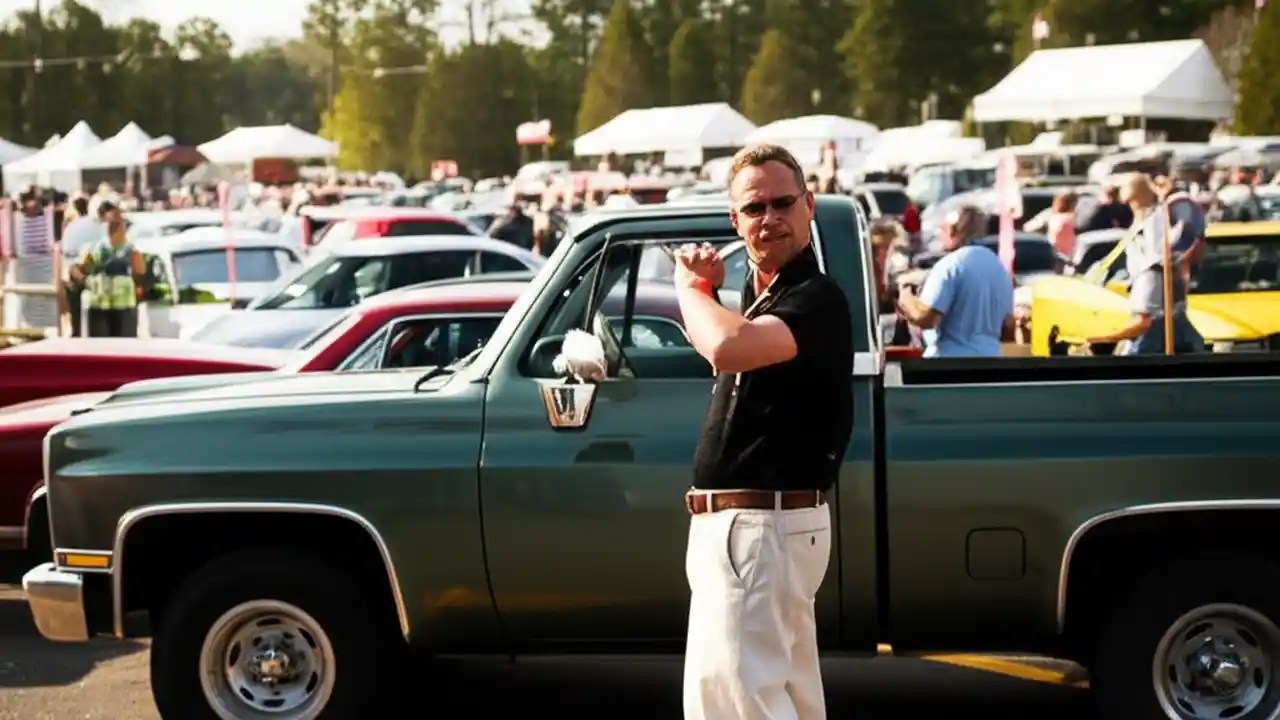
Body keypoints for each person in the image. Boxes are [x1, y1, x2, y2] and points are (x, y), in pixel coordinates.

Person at [672, 143, 853, 720]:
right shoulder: (769, 294)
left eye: (783, 203)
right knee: (781, 698)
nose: (770, 218)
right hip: (761, 530)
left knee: (734, 700)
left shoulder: (815, 298)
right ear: (735, 220)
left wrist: (689, 290)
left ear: (809, 206)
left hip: (760, 529)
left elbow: (727, 347)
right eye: (754, 209)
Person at [1086, 173, 1203, 355]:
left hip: (1149, 354)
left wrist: (1103, 338)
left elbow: (1143, 320)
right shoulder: (1152, 225)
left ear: (1132, 199)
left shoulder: (1152, 265)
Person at [896, 206, 1015, 357]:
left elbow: (925, 318)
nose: (940, 230)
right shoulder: (1000, 270)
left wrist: (905, 293)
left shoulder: (951, 265)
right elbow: (1008, 326)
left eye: (944, 227)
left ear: (954, 231)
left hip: (950, 364)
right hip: (990, 361)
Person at [70, 201, 144, 337]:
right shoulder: (98, 248)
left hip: (111, 306)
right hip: (109, 306)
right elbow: (80, 270)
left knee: (109, 348)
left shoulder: (128, 249)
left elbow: (79, 270)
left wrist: (84, 280)